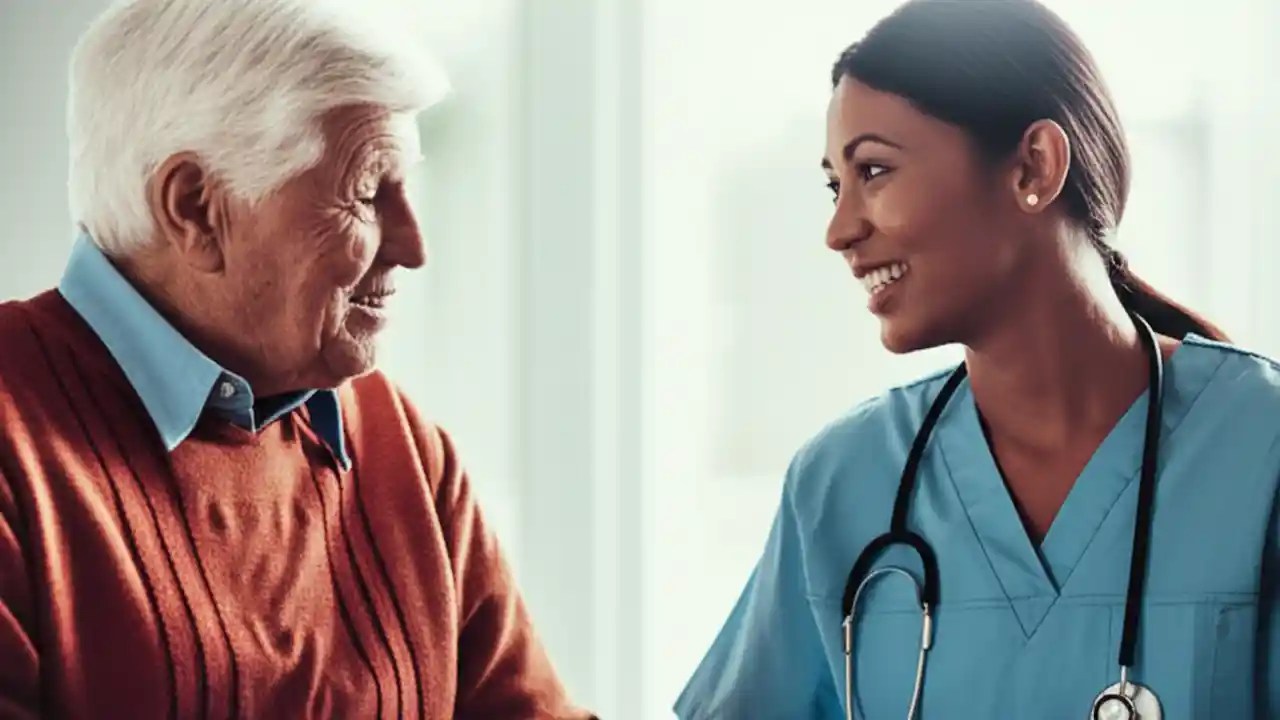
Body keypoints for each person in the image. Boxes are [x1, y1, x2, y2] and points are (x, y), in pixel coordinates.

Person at [674, 1, 1280, 718]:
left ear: (1034, 165)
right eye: (836, 186)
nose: (839, 231)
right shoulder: (843, 482)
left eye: (874, 170)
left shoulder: (1260, 449)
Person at [0, 1, 594, 718]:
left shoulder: (403, 448)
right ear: (195, 208)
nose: (413, 246)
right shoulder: (15, 441)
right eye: (369, 192)